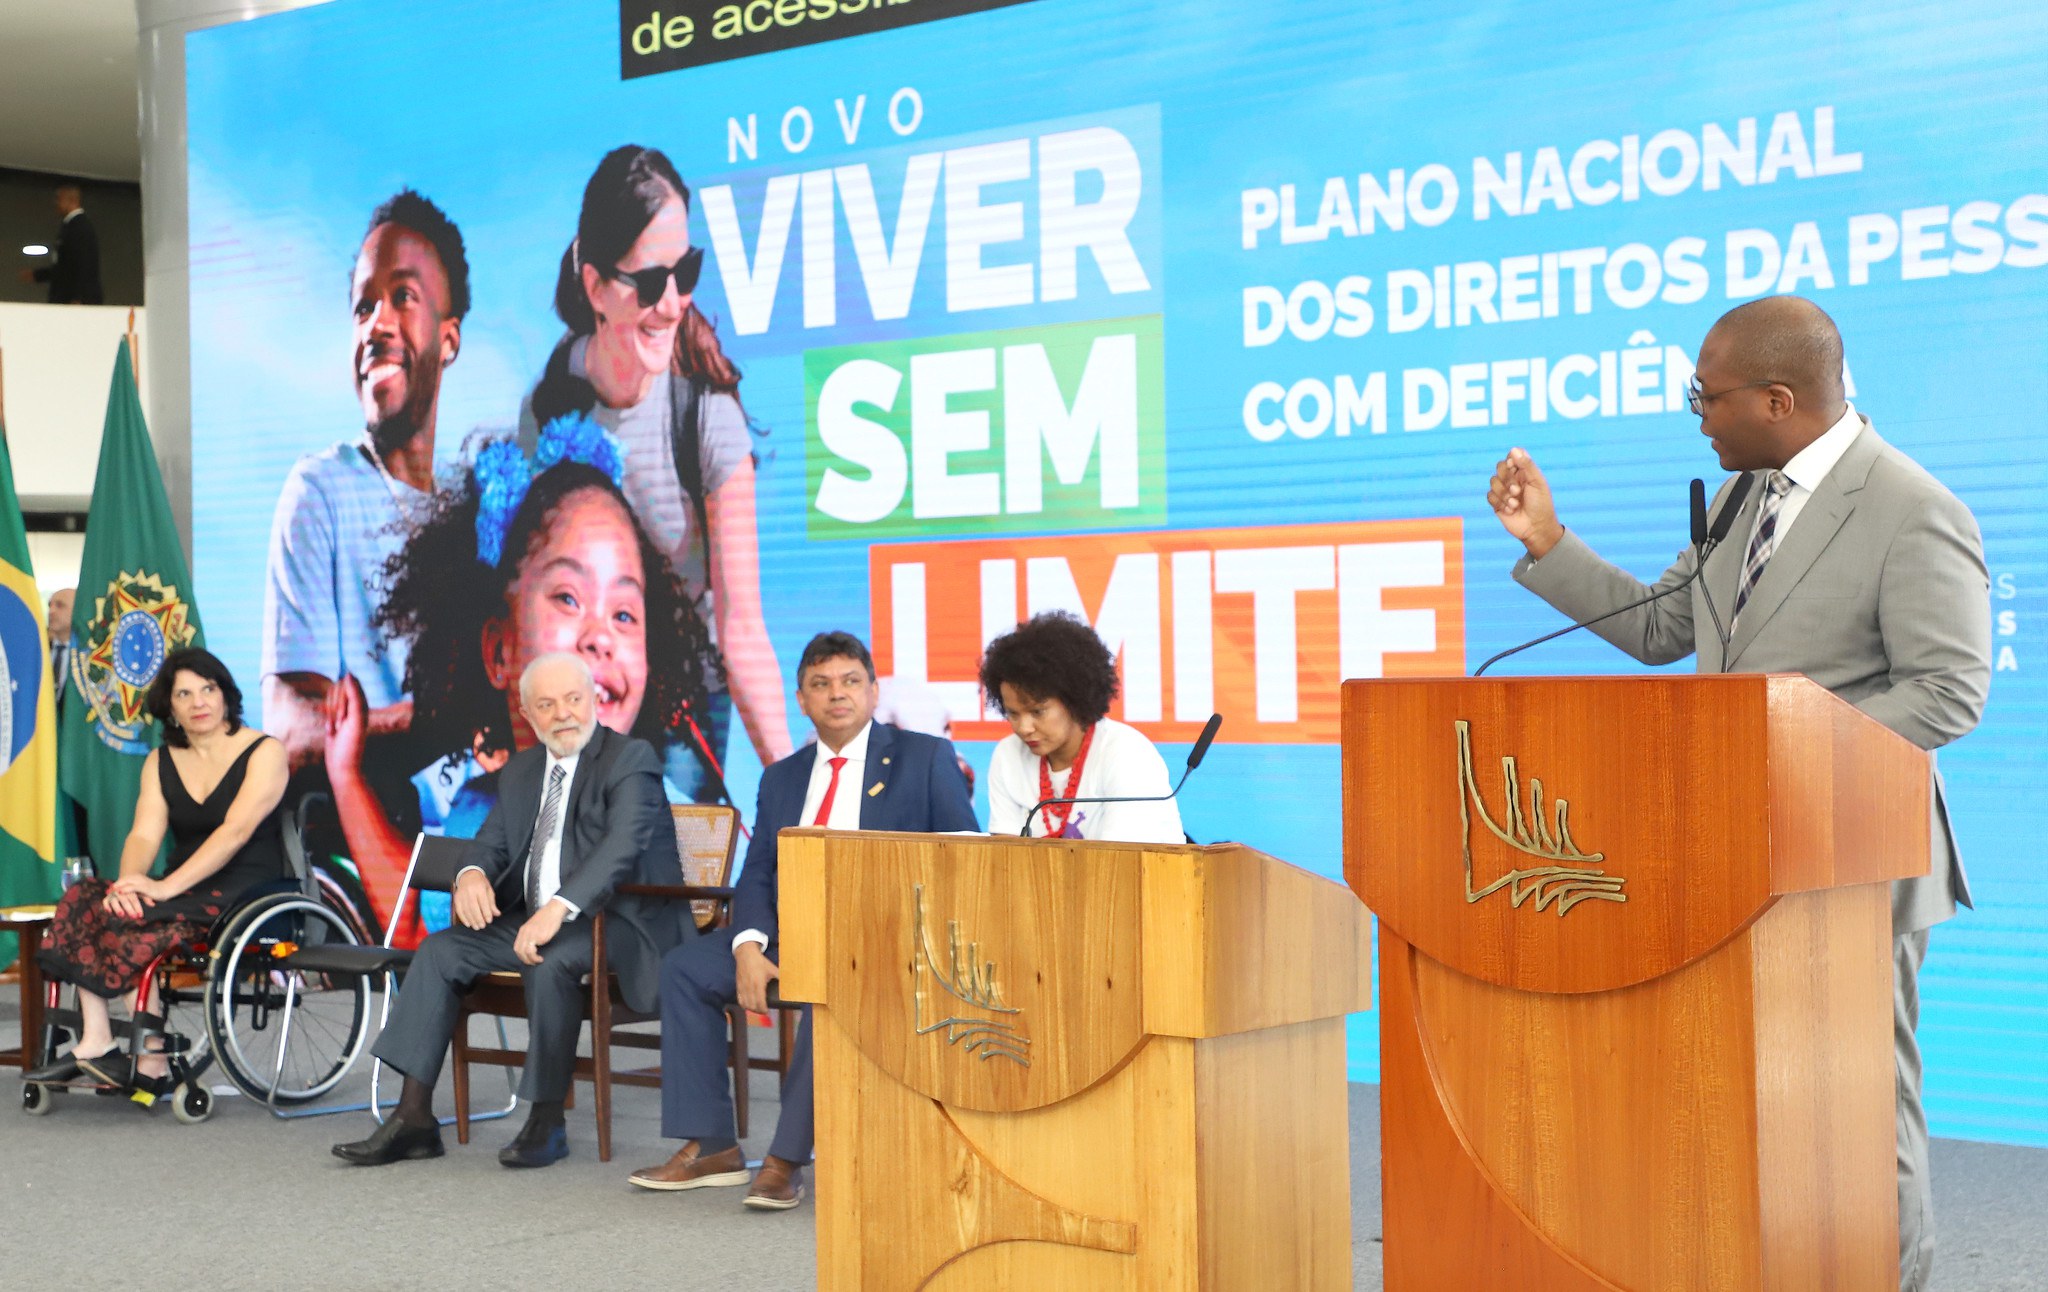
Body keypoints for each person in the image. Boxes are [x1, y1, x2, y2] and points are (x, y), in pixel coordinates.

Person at [1485, 295, 1990, 1292]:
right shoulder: (1743, 496)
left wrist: (1784, 759)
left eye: (1704, 396)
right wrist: (1547, 543)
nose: (1694, 413)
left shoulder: (1910, 506)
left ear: (1776, 396)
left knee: (1856, 1100)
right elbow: (1663, 627)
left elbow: (1946, 689)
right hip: (1732, 851)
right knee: (1757, 1098)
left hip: (1849, 850)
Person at [323, 417, 717, 946]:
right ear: (498, 651)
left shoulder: (659, 807)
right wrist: (345, 776)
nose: (601, 635)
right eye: (568, 598)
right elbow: (419, 926)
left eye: (625, 614)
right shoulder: (477, 808)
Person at [627, 631, 978, 1208]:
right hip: (794, 931)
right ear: (802, 700)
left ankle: (786, 1158)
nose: (836, 695)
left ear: (872, 690)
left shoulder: (924, 757)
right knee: (687, 968)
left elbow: (964, 855)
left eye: (849, 681)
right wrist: (746, 944)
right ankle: (713, 1145)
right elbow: (759, 868)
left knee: (825, 982)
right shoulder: (782, 776)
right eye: (821, 685)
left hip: (882, 938)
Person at [331, 652, 685, 1168]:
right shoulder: (521, 770)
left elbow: (622, 847)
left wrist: (559, 908)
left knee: (551, 955)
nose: (563, 713)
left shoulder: (631, 758)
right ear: (528, 714)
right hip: (537, 922)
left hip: (624, 924)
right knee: (440, 951)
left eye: (573, 699)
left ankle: (546, 1120)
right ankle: (413, 1117)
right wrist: (470, 874)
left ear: (592, 701)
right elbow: (490, 844)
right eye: (547, 704)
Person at [521, 144, 793, 800]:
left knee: (672, 871)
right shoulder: (554, 402)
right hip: (581, 682)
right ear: (595, 288)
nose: (672, 305)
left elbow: (741, 625)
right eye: (647, 283)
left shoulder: (705, 416)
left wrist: (796, 781)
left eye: (686, 272)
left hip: (680, 698)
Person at [261, 189, 469, 775]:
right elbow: (289, 726)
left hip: (489, 843)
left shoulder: (475, 509)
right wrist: (427, 721)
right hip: (371, 851)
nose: (376, 324)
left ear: (449, 338)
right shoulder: (320, 491)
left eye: (402, 297)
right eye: (362, 307)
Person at [26, 649, 287, 1092]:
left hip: (244, 888)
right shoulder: (161, 761)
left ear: (225, 695)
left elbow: (235, 832)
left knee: (143, 923)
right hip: (178, 884)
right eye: (184, 693)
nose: (198, 701)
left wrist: (163, 888)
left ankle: (150, 1055)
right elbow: (144, 836)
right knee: (87, 899)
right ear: (169, 706)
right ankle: (97, 1038)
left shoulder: (265, 751)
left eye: (208, 689)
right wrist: (129, 884)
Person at [981, 611, 1185, 844]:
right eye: (1013, 713)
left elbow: (1123, 863)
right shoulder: (1008, 755)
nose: (1024, 728)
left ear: (1073, 699)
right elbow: (1005, 860)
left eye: (1038, 711)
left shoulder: (1127, 753)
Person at [18, 184, 102, 304]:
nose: (56, 203)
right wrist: (38, 275)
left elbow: (84, 264)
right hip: (65, 298)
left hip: (73, 299)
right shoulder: (71, 226)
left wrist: (79, 297)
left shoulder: (80, 227)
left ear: (72, 200)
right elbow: (65, 267)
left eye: (59, 198)